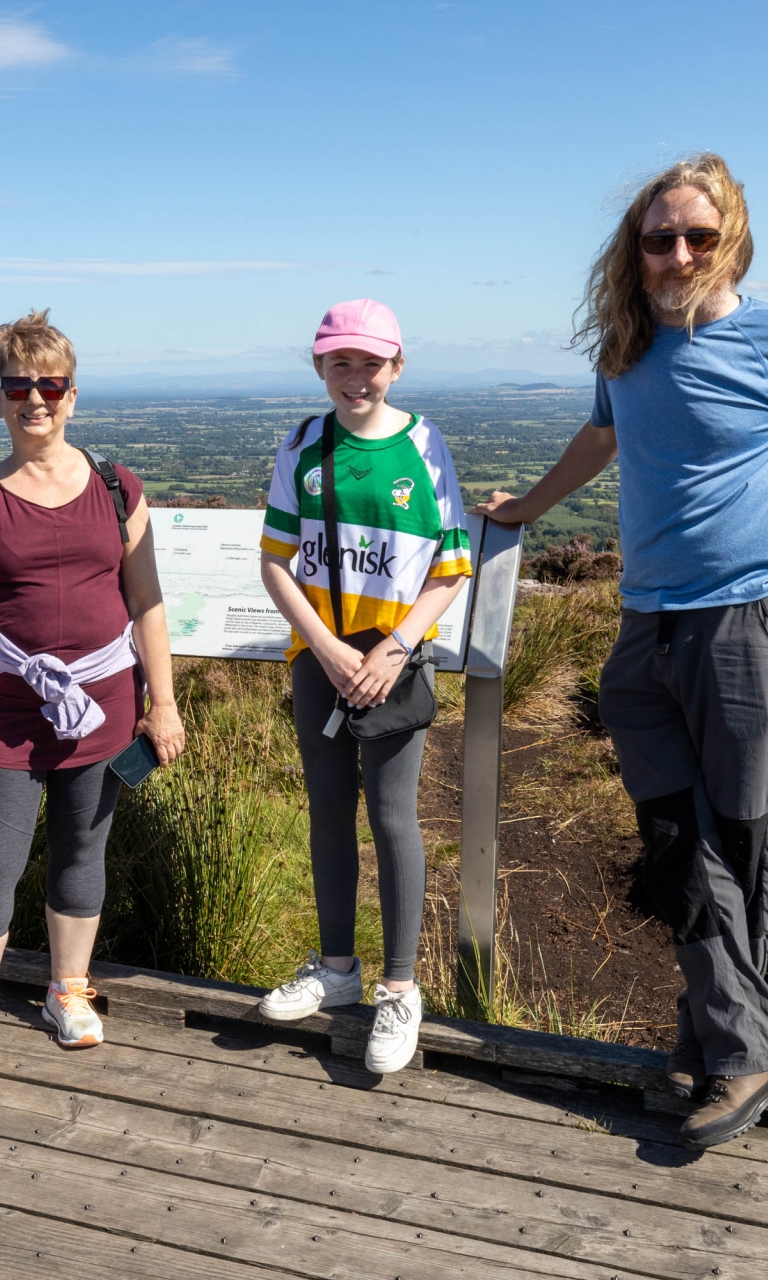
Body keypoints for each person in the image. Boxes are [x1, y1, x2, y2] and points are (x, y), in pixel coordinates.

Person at [475, 154, 768, 1148]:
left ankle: (724, 1040)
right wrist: (529, 509)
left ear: (734, 241)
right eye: (657, 237)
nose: (676, 252)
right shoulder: (625, 342)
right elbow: (603, 439)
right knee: (680, 839)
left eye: (697, 236)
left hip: (745, 626)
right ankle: (736, 1034)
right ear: (633, 251)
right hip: (647, 623)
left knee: (740, 837)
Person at [0, 310, 185, 1087]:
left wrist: (162, 703)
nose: (34, 400)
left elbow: (147, 603)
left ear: (72, 394)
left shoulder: (116, 487)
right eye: (18, 386)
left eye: (50, 385)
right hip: (3, 714)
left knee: (82, 852)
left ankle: (67, 991)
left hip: (103, 706)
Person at [251, 300, 474, 1075]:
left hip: (394, 665)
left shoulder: (423, 444)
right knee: (326, 814)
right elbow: (276, 560)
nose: (356, 377)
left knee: (392, 817)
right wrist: (325, 649)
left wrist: (391, 651)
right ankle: (336, 971)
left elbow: (451, 568)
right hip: (321, 662)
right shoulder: (302, 446)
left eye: (371, 363)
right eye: (340, 362)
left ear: (397, 366)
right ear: (319, 367)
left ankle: (400, 987)